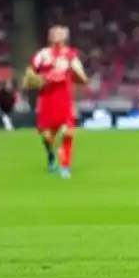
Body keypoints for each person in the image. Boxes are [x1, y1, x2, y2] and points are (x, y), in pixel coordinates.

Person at [25, 25, 88, 179]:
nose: (56, 34)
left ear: (65, 37)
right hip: (46, 100)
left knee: (68, 133)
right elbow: (29, 75)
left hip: (64, 99)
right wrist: (35, 80)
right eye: (53, 32)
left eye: (60, 32)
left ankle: (65, 166)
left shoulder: (71, 56)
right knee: (47, 136)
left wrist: (76, 75)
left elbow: (83, 78)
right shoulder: (42, 55)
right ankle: (51, 154)